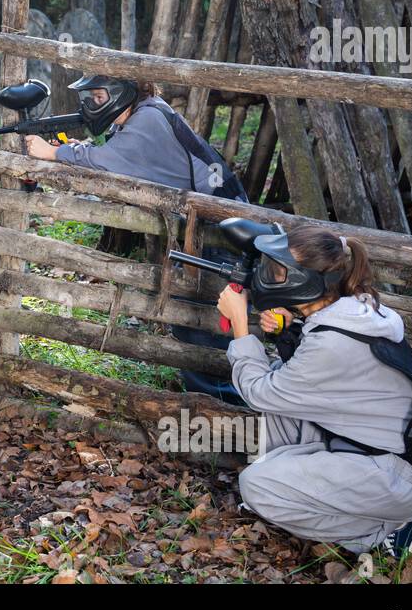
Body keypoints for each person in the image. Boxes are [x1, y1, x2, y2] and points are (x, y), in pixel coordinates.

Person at [215, 225, 412, 558]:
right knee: (275, 421)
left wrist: (241, 326)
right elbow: (306, 382)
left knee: (255, 486)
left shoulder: (334, 339)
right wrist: (290, 331)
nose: (270, 277)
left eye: (280, 271)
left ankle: (384, 533)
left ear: (307, 282)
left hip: (402, 478)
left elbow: (260, 391)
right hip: (377, 451)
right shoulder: (352, 311)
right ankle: (294, 487)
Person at [24, 74, 251, 405]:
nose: (90, 104)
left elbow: (108, 161)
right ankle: (214, 408)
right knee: (192, 320)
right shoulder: (143, 112)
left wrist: (53, 154)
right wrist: (77, 150)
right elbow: (116, 154)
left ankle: (228, 415)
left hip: (222, 228)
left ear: (121, 93)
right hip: (210, 224)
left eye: (98, 96)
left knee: (204, 324)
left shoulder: (148, 118)